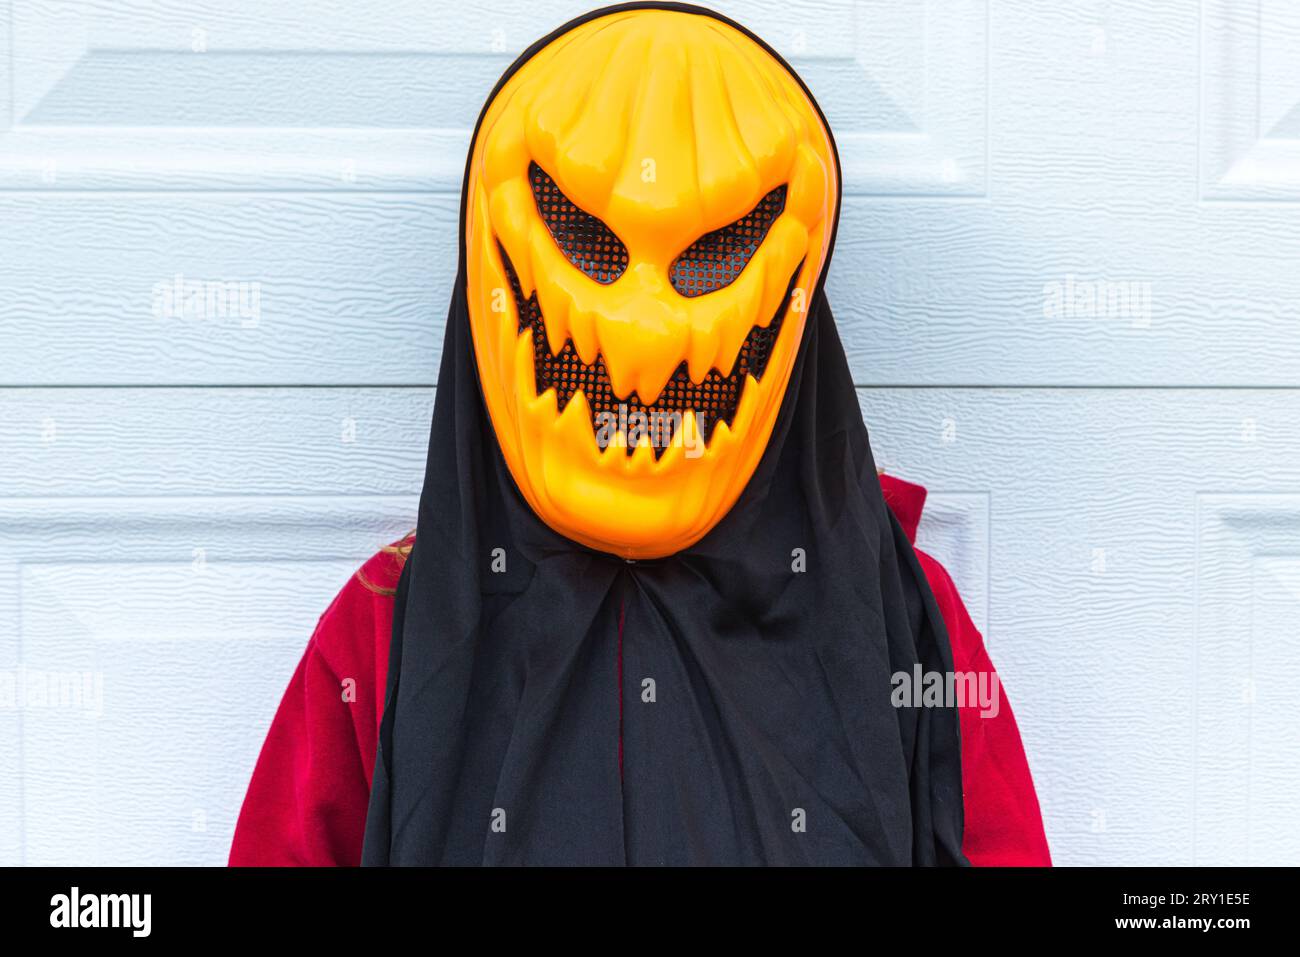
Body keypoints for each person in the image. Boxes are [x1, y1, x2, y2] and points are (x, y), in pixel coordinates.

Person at [231, 3, 1050, 866]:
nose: (651, 330)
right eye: (585, 237)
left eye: (714, 252)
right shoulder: (389, 622)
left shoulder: (902, 620)